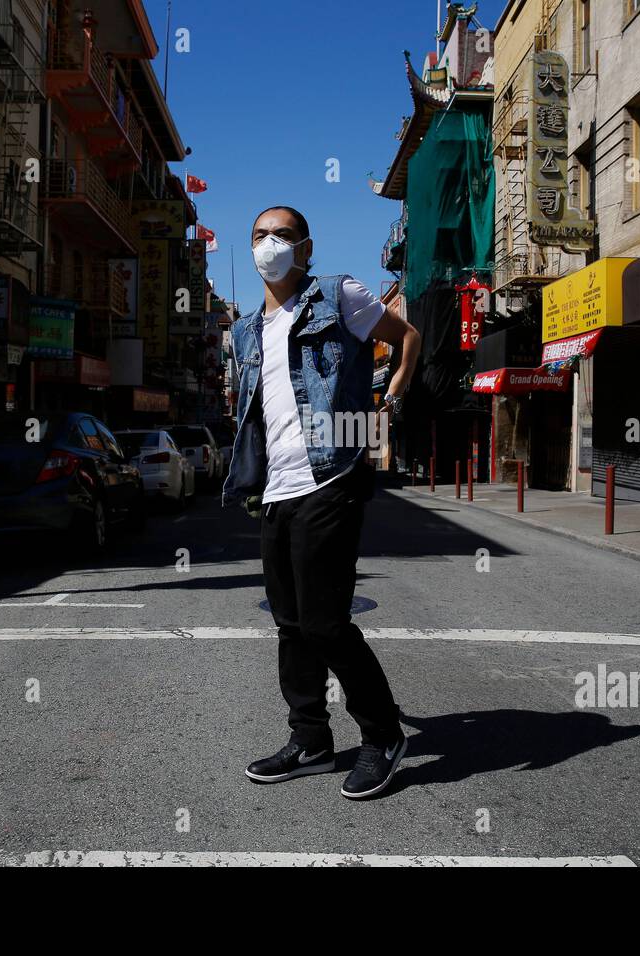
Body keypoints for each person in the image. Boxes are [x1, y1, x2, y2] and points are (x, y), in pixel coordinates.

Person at [221, 206, 422, 799]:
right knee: (289, 624)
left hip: (330, 477)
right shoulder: (245, 330)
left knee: (325, 622)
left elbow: (407, 337)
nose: (269, 245)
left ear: (304, 249)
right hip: (276, 488)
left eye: (281, 235)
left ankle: (382, 736)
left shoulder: (339, 296)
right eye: (259, 235)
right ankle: (310, 741)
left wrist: (386, 407)